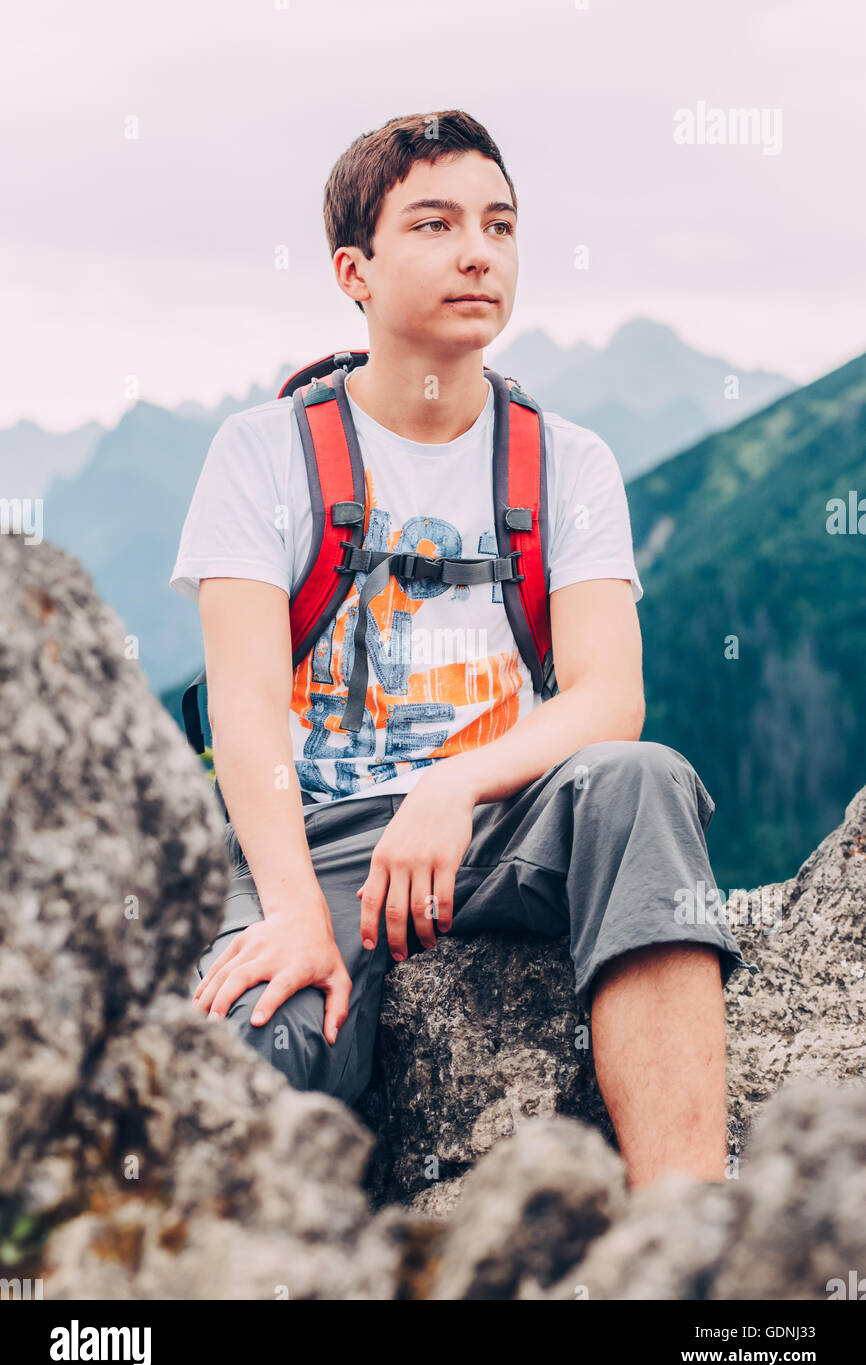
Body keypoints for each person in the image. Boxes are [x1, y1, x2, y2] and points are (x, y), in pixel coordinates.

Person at [170, 109, 755, 1190]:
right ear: (353, 268)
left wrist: (454, 784)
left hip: (494, 823)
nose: (477, 251)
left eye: (499, 223)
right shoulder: (263, 455)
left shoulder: (565, 464)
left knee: (641, 781)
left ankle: (688, 1240)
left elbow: (606, 697)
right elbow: (242, 709)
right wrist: (296, 912)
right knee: (256, 1047)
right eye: (433, 224)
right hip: (318, 843)